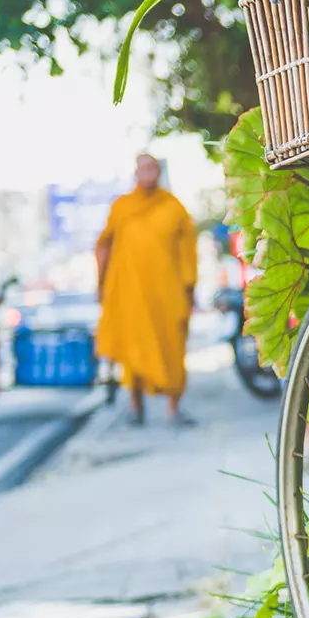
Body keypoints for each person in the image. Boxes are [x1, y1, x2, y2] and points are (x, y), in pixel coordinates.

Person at [95, 153, 197, 424]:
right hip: (132, 294)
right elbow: (104, 245)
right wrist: (101, 282)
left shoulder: (174, 207)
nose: (149, 173)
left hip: (168, 292)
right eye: (144, 169)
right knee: (133, 348)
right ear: (136, 174)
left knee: (173, 346)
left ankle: (174, 409)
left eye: (154, 168)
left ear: (160, 173)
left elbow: (188, 250)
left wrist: (190, 285)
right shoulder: (122, 207)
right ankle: (135, 407)